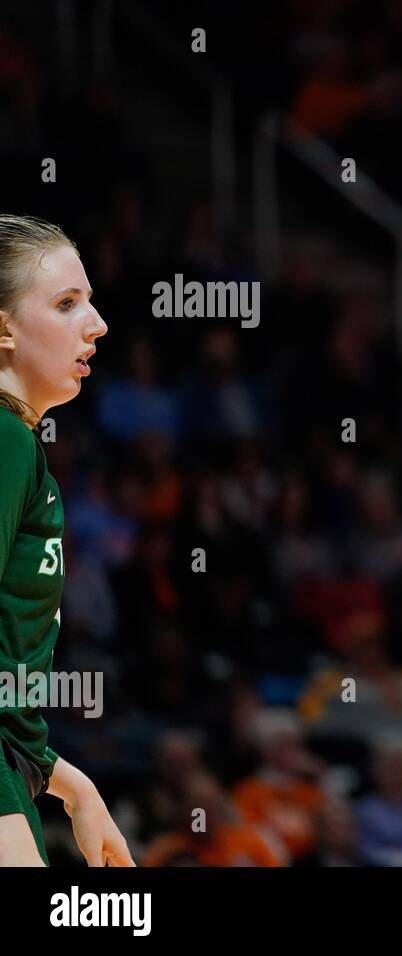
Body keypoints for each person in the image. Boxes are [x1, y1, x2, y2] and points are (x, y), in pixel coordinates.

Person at [0, 214, 132, 866]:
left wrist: (70, 784)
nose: (97, 322)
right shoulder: (4, 441)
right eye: (65, 303)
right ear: (3, 328)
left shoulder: (18, 443)